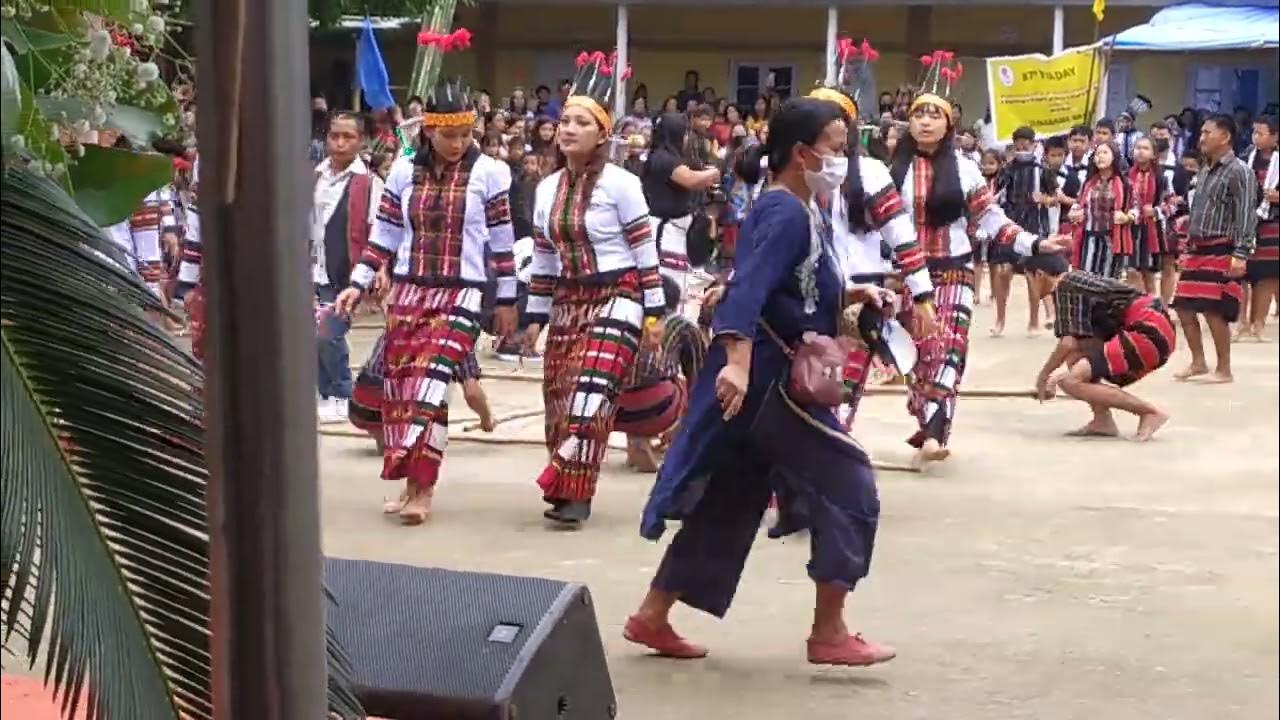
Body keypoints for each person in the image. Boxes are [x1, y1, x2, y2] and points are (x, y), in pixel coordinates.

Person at [627, 97, 897, 667]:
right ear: (801, 154)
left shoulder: (799, 207)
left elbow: (787, 286)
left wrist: (853, 294)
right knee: (849, 482)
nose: (843, 158)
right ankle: (829, 631)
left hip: (762, 385)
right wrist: (738, 364)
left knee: (731, 495)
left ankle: (652, 615)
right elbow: (746, 291)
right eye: (835, 147)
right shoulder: (785, 213)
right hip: (774, 386)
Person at [333, 72, 518, 525]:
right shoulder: (402, 171)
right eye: (449, 135)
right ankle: (414, 483)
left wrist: (508, 299)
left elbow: (502, 243)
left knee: (429, 386)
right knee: (402, 390)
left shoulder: (490, 173)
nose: (458, 143)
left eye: (466, 134)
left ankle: (423, 489)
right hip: (410, 292)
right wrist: (357, 282)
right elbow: (384, 236)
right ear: (429, 130)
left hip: (462, 294)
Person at [888, 74, 1063, 467]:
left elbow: (991, 219)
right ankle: (928, 422)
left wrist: (1034, 244)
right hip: (905, 276)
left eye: (934, 115)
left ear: (949, 125)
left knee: (948, 348)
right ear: (909, 123)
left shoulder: (965, 169)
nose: (926, 122)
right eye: (919, 115)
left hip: (954, 271)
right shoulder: (891, 171)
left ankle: (935, 435)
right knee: (917, 356)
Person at [524, 52, 667, 527]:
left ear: (603, 134)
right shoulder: (546, 189)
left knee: (590, 397)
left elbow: (645, 252)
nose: (568, 129)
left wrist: (654, 314)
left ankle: (576, 492)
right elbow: (544, 258)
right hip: (568, 300)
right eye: (565, 121)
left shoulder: (622, 184)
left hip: (618, 295)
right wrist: (535, 317)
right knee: (558, 397)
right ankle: (565, 488)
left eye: (581, 123)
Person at [807, 63, 935, 428]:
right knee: (805, 381)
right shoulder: (790, 169)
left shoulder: (870, 173)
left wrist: (922, 294)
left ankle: (834, 443)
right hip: (807, 290)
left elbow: (901, 235)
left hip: (861, 293)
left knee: (842, 391)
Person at [1028, 252, 1173, 441]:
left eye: (1029, 279)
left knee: (1071, 382)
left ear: (1039, 275)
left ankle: (1148, 412)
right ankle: (1102, 420)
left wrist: (1044, 376)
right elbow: (1079, 345)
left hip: (1147, 331)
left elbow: (1067, 343)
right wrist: (1059, 375)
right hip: (1158, 328)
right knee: (1076, 359)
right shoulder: (1076, 282)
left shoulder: (1064, 285)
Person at [1171, 113, 1258, 383]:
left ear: (1225, 136)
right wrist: (1186, 246)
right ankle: (1198, 361)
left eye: (1207, 133)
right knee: (1183, 307)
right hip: (1198, 248)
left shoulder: (1240, 171)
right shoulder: (1205, 169)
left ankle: (1224, 368)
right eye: (1202, 133)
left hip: (1223, 247)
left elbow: (1246, 214)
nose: (1202, 138)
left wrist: (1241, 254)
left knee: (1214, 309)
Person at [311, 112, 383, 424]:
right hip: (312, 267)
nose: (340, 143)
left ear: (361, 141)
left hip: (345, 271)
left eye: (348, 137)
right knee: (312, 334)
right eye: (334, 136)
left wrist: (379, 270)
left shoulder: (369, 184)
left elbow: (380, 230)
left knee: (329, 333)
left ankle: (342, 393)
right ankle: (324, 393)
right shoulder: (314, 176)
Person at [642, 113, 721, 309]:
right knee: (667, 287)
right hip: (664, 231)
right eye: (685, 134)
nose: (687, 139)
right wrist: (713, 171)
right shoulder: (662, 159)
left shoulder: (669, 158)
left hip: (677, 230)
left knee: (679, 285)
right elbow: (693, 180)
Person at [998, 125, 1057, 336]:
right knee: (1004, 270)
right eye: (1018, 146)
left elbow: (1055, 198)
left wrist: (1044, 199)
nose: (1022, 150)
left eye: (1026, 146)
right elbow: (998, 191)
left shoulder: (1042, 169)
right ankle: (1000, 319)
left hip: (1035, 224)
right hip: (1010, 223)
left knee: (1033, 274)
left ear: (1034, 145)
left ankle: (1034, 321)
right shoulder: (1008, 168)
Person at [1067, 142, 1133, 280]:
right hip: (1089, 237)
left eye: (1105, 153)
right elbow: (1078, 203)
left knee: (1107, 280)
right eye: (1097, 154)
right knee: (1086, 278)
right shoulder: (1089, 183)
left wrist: (1127, 217)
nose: (1100, 157)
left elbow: (1136, 209)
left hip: (1112, 238)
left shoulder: (1125, 184)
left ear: (1114, 157)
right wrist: (1074, 213)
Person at [1240, 115, 1279, 341]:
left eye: (1261, 133)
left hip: (1273, 222)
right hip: (1245, 220)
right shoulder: (1245, 158)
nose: (1256, 137)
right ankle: (1242, 324)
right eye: (1254, 132)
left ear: (1275, 137)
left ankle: (1259, 324)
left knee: (1268, 275)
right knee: (1242, 273)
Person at [1126, 137, 1174, 296]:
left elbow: (1172, 204)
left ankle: (1151, 304)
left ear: (1154, 154)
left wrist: (1156, 211)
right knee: (1131, 271)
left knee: (1148, 273)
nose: (1140, 151)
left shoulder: (1162, 178)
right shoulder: (1126, 176)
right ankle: (1137, 304)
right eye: (1138, 147)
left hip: (1151, 229)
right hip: (1130, 227)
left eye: (1145, 148)